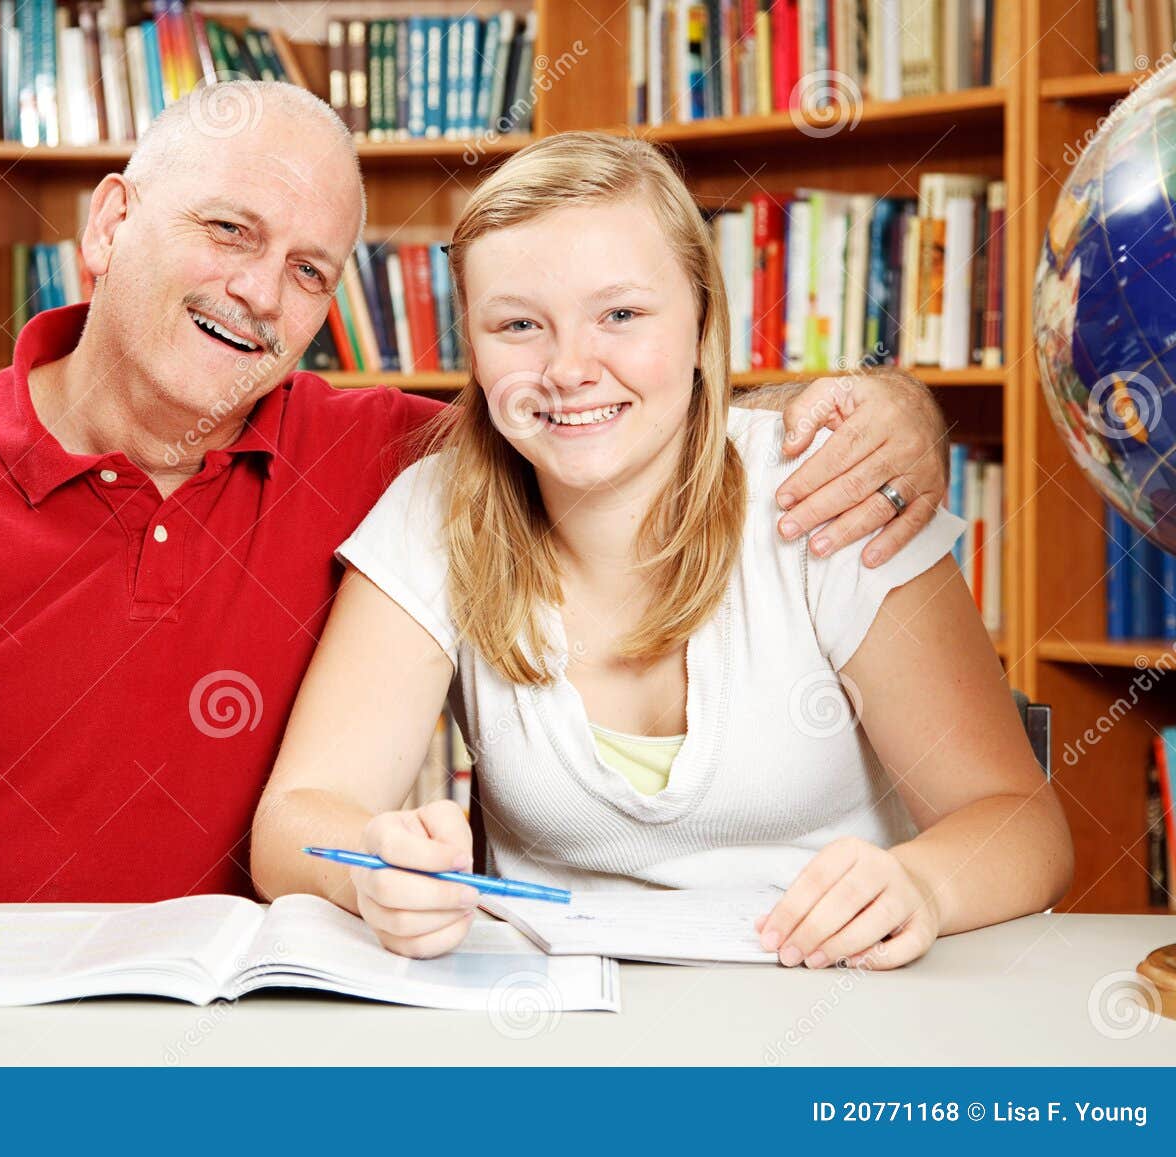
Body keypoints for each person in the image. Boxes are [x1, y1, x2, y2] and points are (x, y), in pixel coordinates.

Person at [0, 84, 950, 965]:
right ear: (112, 221)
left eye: (310, 269)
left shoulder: (395, 455)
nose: (261, 291)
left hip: (250, 1027)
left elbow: (601, 407)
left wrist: (884, 410)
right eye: (228, 230)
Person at [250, 131, 1073, 970]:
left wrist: (922, 886)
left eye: (621, 315)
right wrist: (376, 869)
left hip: (835, 1006)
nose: (570, 368)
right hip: (553, 1027)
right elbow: (295, 820)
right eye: (520, 324)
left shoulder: (831, 485)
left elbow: (1019, 819)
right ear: (475, 347)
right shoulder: (435, 511)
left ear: (703, 320)